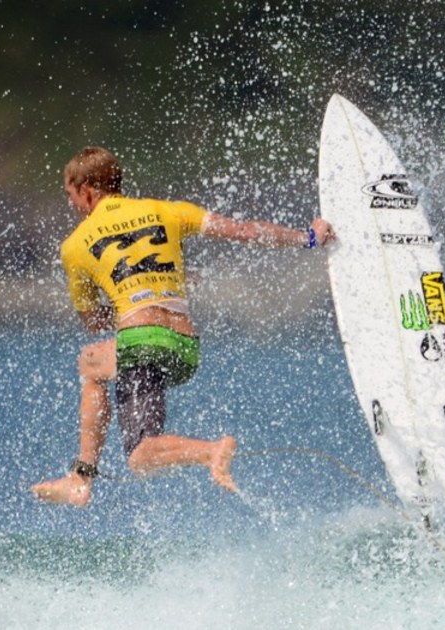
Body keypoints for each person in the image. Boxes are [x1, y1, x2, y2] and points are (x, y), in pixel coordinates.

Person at [31, 146, 335, 507]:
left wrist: (130, 302)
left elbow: (95, 322)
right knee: (93, 361)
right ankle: (80, 478)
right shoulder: (167, 210)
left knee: (140, 457)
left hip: (142, 342)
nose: (73, 206)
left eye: (71, 197)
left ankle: (210, 452)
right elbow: (245, 231)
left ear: (87, 191)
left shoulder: (75, 246)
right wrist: (308, 237)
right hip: (185, 347)